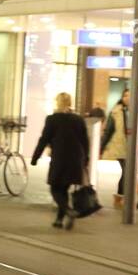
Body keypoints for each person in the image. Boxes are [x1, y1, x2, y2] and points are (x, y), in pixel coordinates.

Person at [31, 92, 90, 230]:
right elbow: (85, 140)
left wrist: (35, 157)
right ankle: (59, 220)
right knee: (63, 188)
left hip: (60, 158)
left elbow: (44, 139)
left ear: (57, 102)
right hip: (76, 159)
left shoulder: (52, 119)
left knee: (55, 188)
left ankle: (69, 211)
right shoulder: (78, 119)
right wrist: (86, 158)